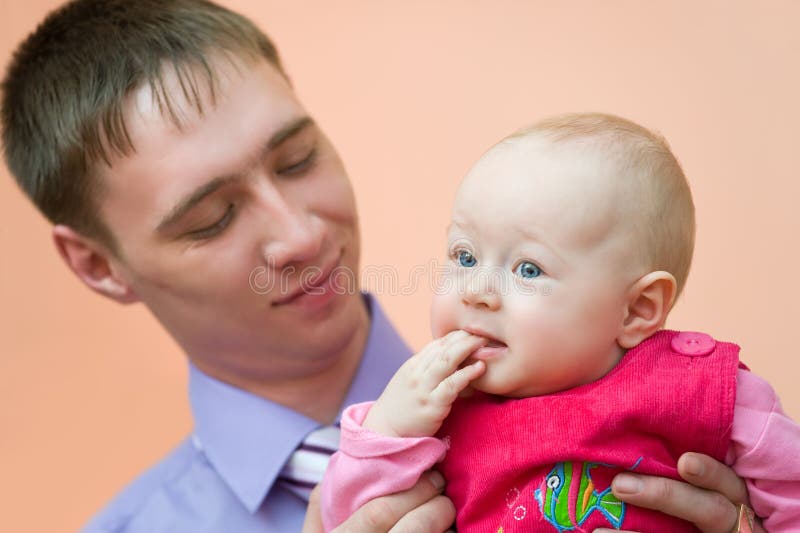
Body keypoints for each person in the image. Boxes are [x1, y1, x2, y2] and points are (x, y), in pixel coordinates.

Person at [0, 0, 766, 531]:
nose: (300, 235)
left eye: (298, 159)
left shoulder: (661, 416)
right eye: (214, 217)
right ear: (101, 267)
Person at [320, 114, 800, 531]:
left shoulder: (699, 391)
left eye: (528, 269)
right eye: (464, 256)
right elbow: (344, 518)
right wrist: (387, 429)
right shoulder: (437, 407)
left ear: (636, 309)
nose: (475, 291)